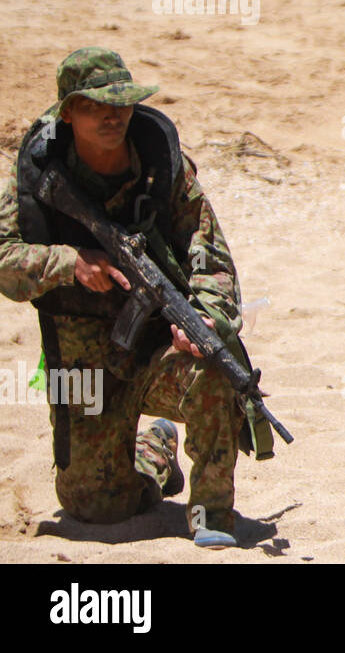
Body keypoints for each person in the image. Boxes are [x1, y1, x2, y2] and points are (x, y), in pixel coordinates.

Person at [0, 47, 273, 549]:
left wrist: (207, 318)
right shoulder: (39, 177)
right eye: (96, 106)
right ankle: (155, 451)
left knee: (215, 364)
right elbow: (4, 259)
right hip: (81, 360)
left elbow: (209, 253)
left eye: (122, 103)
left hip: (159, 350)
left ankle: (212, 514)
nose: (113, 116)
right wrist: (69, 264)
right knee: (93, 505)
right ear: (68, 113)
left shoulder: (163, 166)